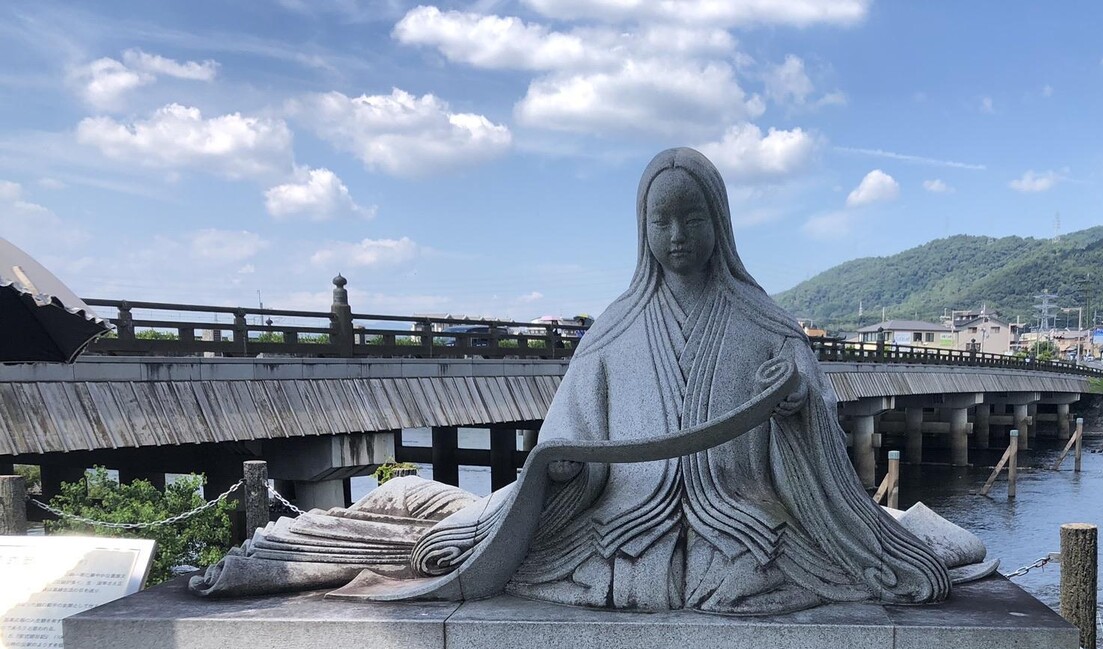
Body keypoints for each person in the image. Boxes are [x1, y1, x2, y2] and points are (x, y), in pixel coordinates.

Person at [192, 148, 981, 610]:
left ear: (720, 223)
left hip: (743, 527)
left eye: (692, 218)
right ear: (643, 228)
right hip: (616, 526)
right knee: (432, 534)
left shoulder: (765, 325)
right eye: (660, 221)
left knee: (732, 579)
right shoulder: (614, 328)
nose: (676, 236)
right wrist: (562, 466)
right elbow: (564, 443)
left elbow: (813, 460)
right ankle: (295, 546)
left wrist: (800, 405)